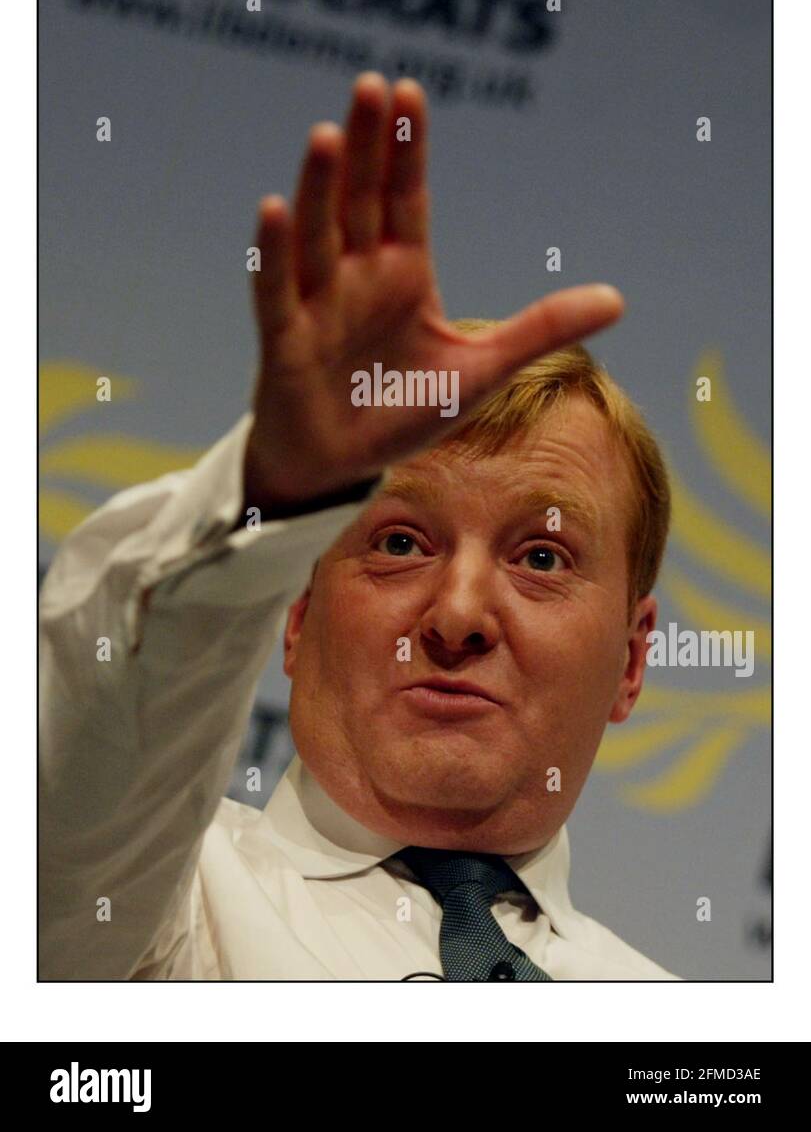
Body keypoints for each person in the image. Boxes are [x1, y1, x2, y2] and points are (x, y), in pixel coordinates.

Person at [39, 72, 678, 981]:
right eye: (398, 543)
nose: (457, 614)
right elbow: (81, 750)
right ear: (295, 617)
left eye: (540, 556)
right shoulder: (151, 906)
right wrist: (285, 488)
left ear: (630, 659)